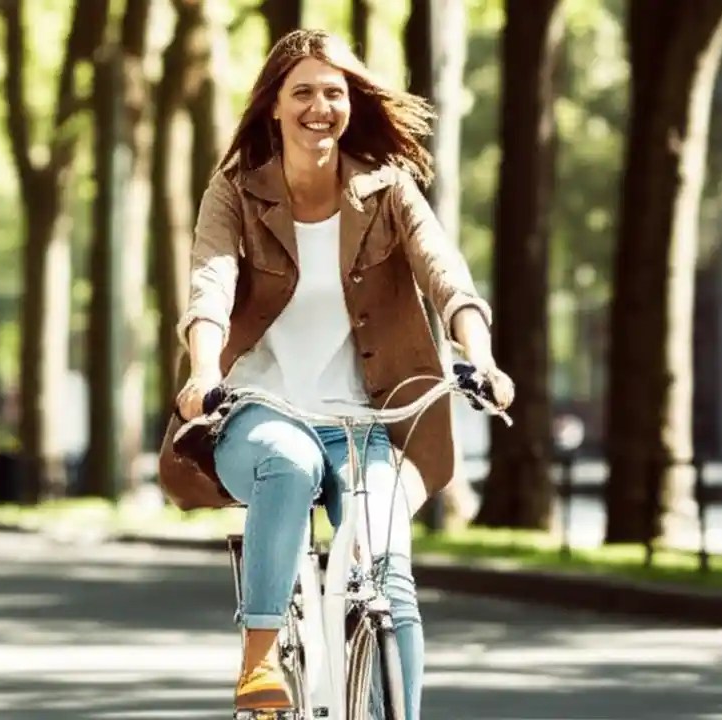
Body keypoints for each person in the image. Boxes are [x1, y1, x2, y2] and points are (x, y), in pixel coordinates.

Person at [155, 29, 514, 719]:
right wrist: (203, 369)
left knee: (391, 576)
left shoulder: (387, 189)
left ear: (351, 103)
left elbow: (446, 275)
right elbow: (210, 284)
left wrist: (481, 355)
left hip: (361, 420)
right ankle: (260, 654)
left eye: (333, 92)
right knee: (287, 464)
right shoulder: (234, 192)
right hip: (257, 409)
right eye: (302, 93)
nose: (319, 106)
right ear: (273, 108)